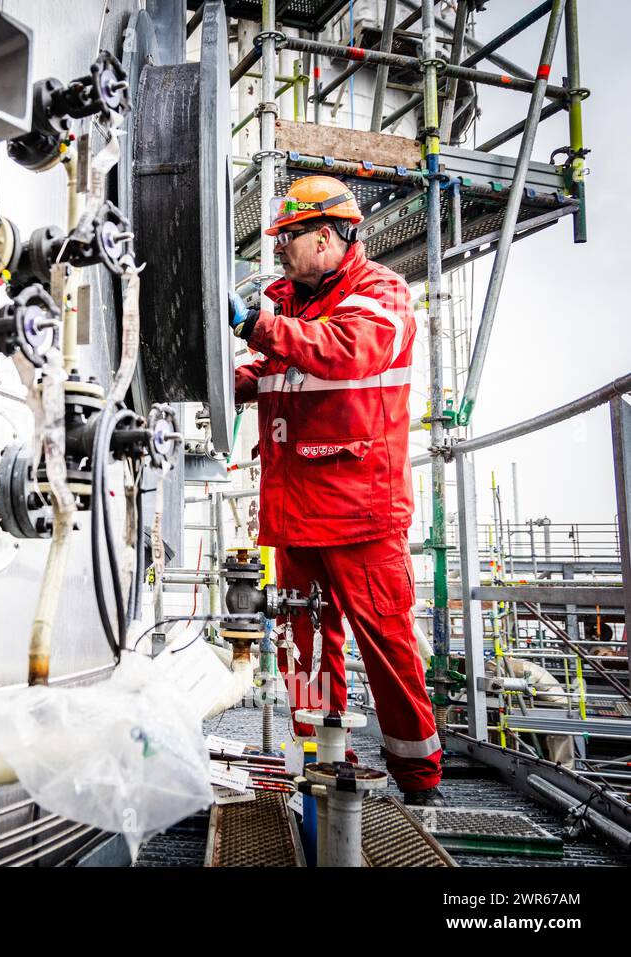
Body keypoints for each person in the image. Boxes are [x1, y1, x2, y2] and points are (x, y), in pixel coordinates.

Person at [227, 175, 445, 806]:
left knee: (388, 650)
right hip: (294, 514)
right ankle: (327, 770)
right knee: (303, 651)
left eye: (288, 238)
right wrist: (220, 370)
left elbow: (346, 350)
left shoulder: (381, 296)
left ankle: (419, 784)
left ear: (325, 237)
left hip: (360, 515)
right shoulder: (283, 301)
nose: (280, 252)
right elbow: (261, 373)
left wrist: (262, 329)